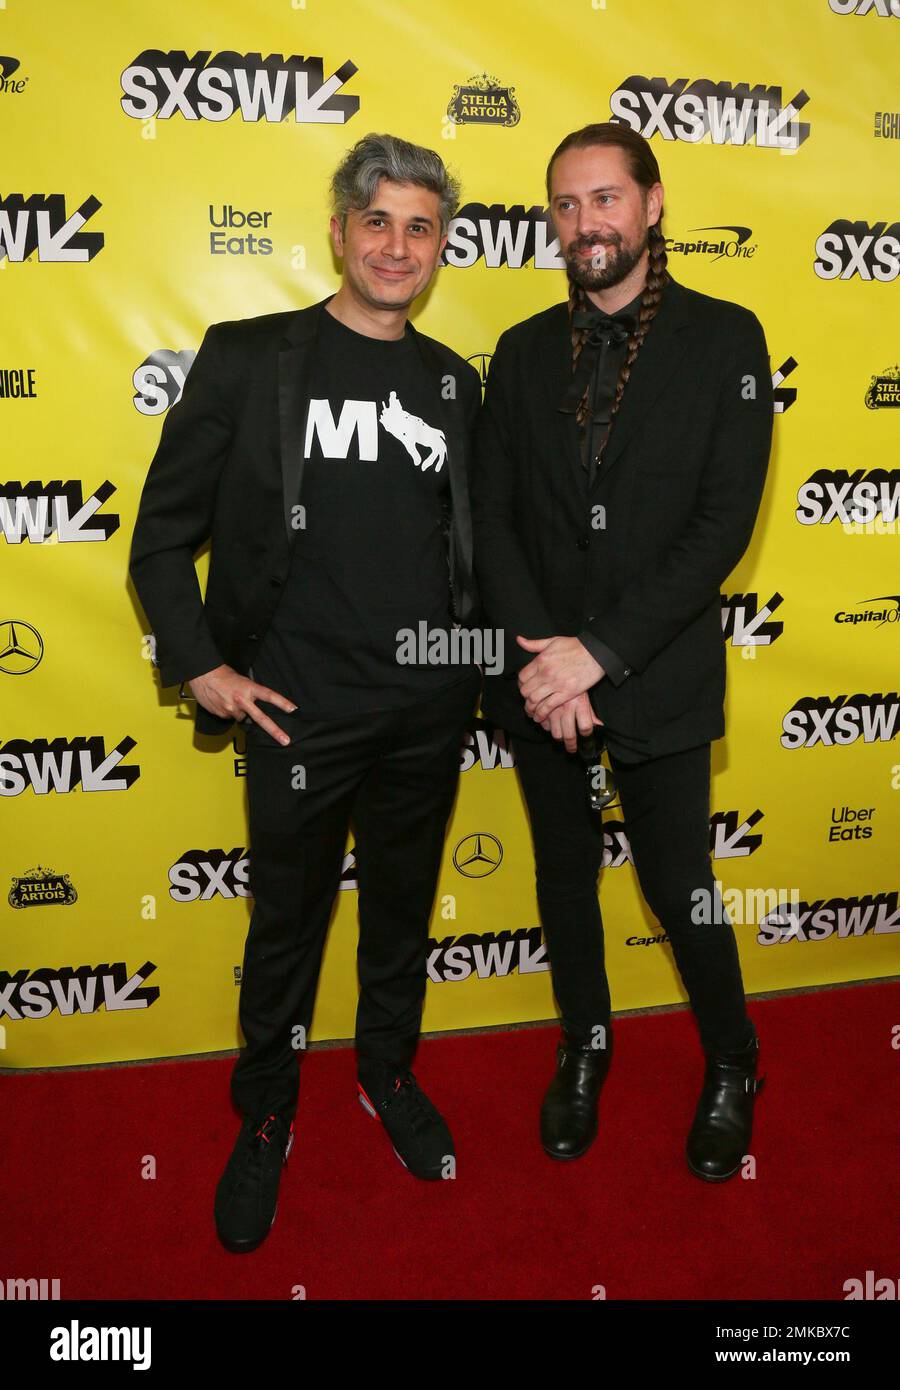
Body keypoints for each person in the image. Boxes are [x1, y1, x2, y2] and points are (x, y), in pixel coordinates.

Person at [129, 132, 483, 1252]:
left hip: (426, 712)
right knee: (286, 925)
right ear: (338, 231)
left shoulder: (451, 382)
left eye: (419, 226)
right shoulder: (248, 359)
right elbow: (156, 542)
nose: (396, 244)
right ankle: (268, 1104)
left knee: (398, 917)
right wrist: (204, 667)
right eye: (376, 220)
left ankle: (387, 1072)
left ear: (440, 247)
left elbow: (469, 544)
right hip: (294, 711)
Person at [471, 122, 774, 1181]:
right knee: (564, 880)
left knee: (680, 884)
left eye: (605, 198)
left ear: (650, 204)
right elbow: (492, 520)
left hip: (656, 670)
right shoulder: (516, 353)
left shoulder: (728, 339)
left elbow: (721, 528)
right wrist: (548, 663)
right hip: (540, 681)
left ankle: (735, 1060)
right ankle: (585, 1044)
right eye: (566, 203)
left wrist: (596, 651)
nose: (586, 222)